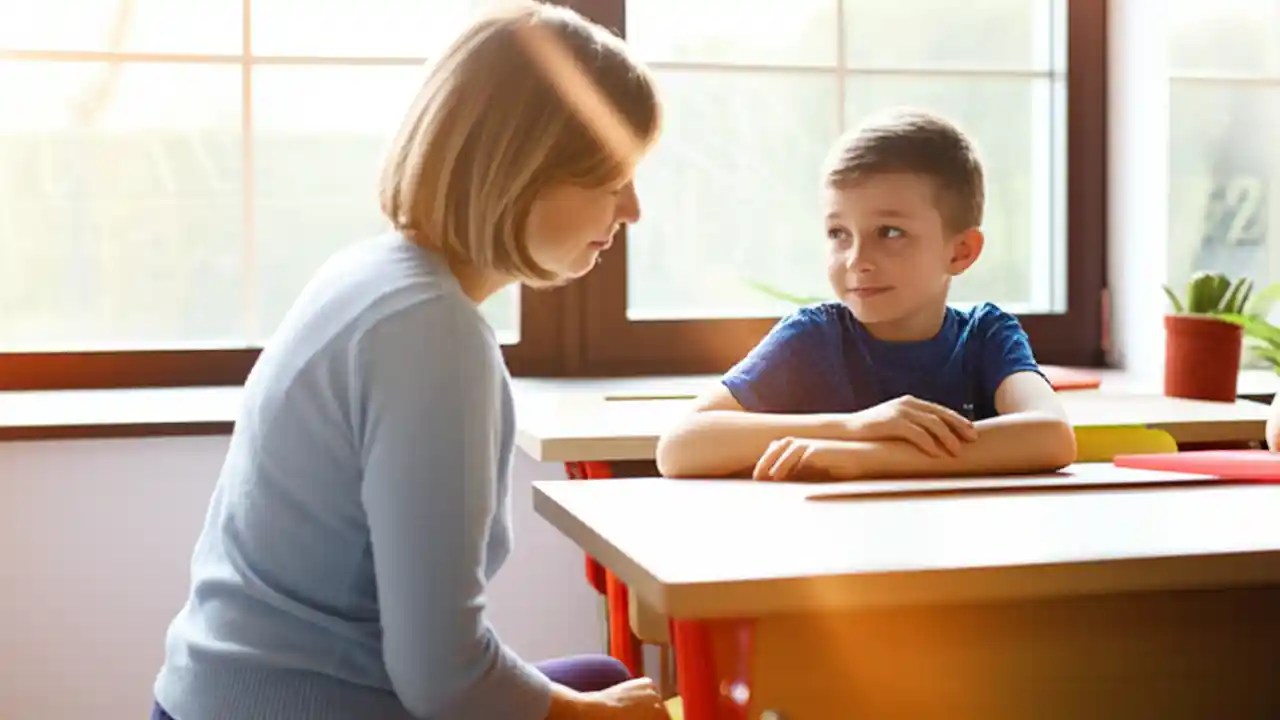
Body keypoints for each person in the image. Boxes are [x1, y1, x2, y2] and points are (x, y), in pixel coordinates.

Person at [152, 4, 668, 718]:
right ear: (520, 172)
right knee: (616, 695)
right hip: (305, 707)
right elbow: (448, 682)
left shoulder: (369, 274)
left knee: (602, 673)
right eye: (613, 181)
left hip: (215, 696)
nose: (632, 210)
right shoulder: (432, 335)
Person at [656, 110, 1075, 481]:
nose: (857, 260)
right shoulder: (813, 337)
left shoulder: (985, 335)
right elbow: (681, 446)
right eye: (838, 233)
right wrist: (855, 427)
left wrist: (870, 458)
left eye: (890, 232)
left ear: (960, 251)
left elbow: (1051, 436)